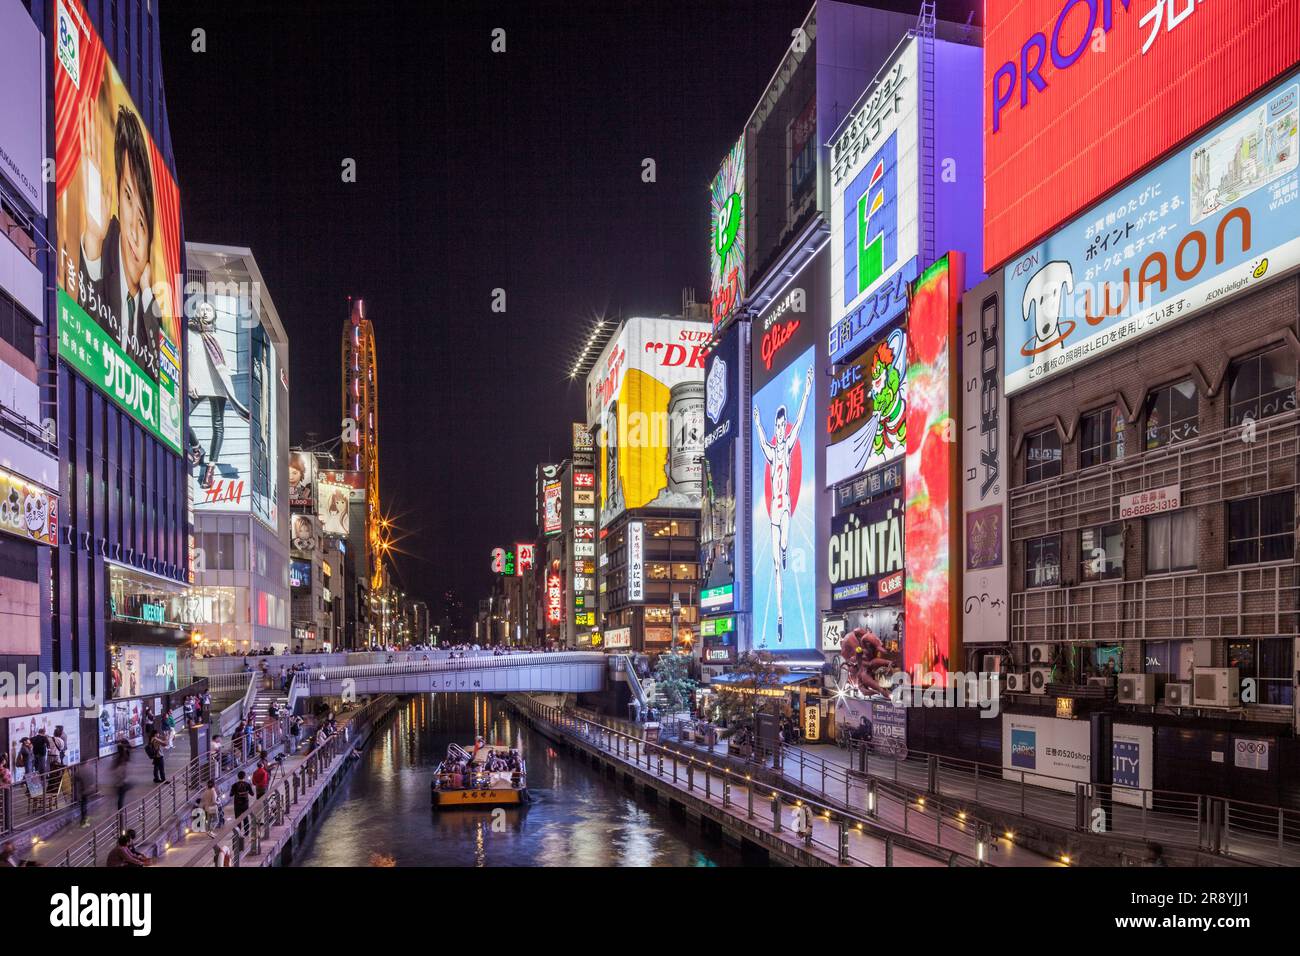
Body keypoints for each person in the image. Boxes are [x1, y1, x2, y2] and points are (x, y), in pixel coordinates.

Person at [75, 100, 162, 377]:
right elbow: (83, 347)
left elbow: (159, 372)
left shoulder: (152, 305)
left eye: (142, 221)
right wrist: (92, 241)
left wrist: (147, 292)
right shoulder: (102, 247)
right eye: (127, 196)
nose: (134, 233)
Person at [753, 363, 814, 643]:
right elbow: (762, 439)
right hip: (773, 513)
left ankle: (786, 550)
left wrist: (807, 390)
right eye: (777, 425)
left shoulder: (787, 446)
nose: (779, 428)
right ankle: (779, 616)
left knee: (786, 545)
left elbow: (801, 421)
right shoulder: (771, 449)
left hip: (786, 506)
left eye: (781, 423)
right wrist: (756, 421)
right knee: (776, 565)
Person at [113, 740, 131, 809]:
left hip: (120, 782)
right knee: (121, 796)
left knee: (121, 796)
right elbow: (121, 771)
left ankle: (120, 809)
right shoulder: (122, 759)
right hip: (121, 782)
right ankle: (120, 810)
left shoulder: (118, 759)